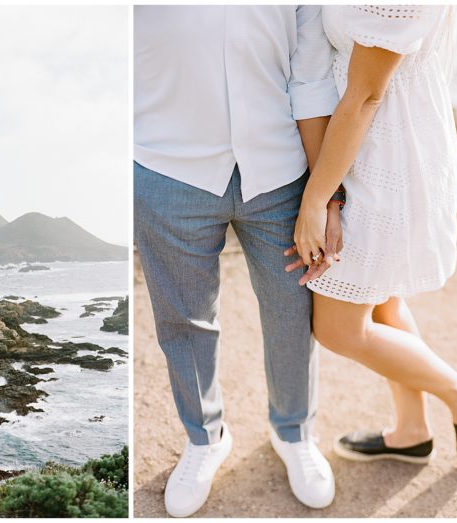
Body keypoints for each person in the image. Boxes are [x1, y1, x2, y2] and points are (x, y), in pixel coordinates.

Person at [134, 5, 344, 516]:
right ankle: (205, 438)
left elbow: (312, 78)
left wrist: (327, 196)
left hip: (281, 173)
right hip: (167, 170)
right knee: (183, 321)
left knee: (291, 313)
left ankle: (294, 432)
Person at [287, 5, 457, 467]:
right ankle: (412, 431)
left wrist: (317, 201)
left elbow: (365, 97)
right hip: (368, 145)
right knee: (383, 300)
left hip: (381, 160)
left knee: (339, 329)